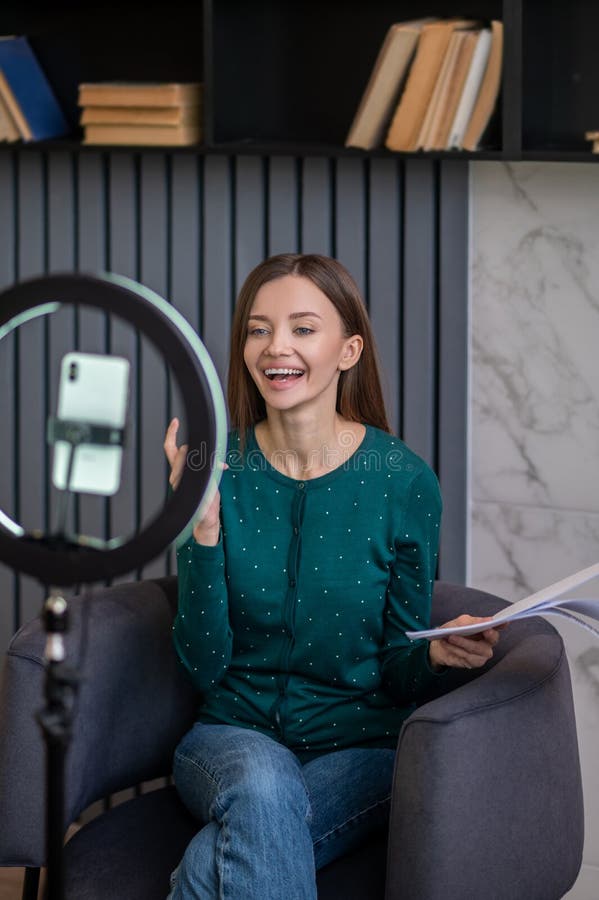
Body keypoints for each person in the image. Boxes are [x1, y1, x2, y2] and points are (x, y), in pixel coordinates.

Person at [163, 253, 501, 900]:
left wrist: (433, 653)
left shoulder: (404, 481)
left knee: (212, 864)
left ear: (348, 350)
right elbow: (203, 666)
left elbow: (397, 671)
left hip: (361, 752)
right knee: (263, 784)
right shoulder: (214, 465)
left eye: (302, 328)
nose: (275, 347)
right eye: (258, 330)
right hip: (230, 739)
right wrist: (200, 529)